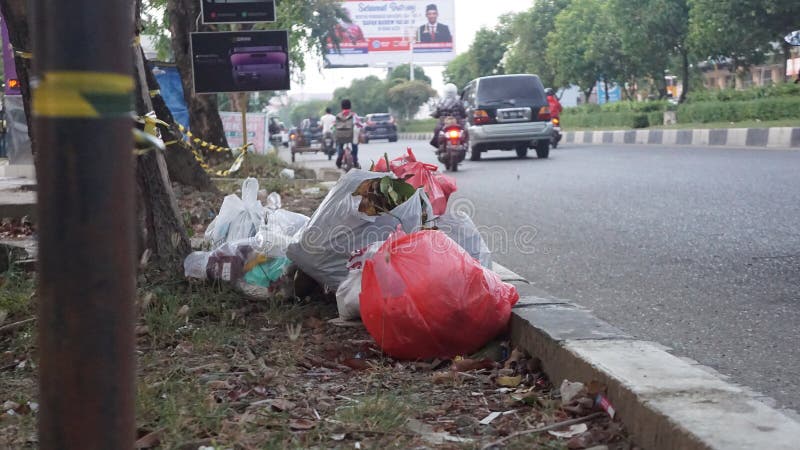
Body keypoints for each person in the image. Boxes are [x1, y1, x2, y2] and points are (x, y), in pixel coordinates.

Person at [430, 83, 467, 148]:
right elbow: (463, 112)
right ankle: (465, 144)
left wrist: (435, 115)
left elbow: (437, 113)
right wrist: (464, 115)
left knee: (437, 130)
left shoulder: (441, 102)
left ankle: (438, 146)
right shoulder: (459, 101)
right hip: (458, 122)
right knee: (466, 130)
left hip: (444, 123)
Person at [334, 99, 361, 169]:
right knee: (355, 146)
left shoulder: (337, 116)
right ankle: (355, 160)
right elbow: (359, 124)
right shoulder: (354, 115)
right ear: (350, 106)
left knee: (339, 145)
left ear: (341, 107)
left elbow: (333, 126)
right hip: (351, 136)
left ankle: (339, 157)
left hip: (340, 136)